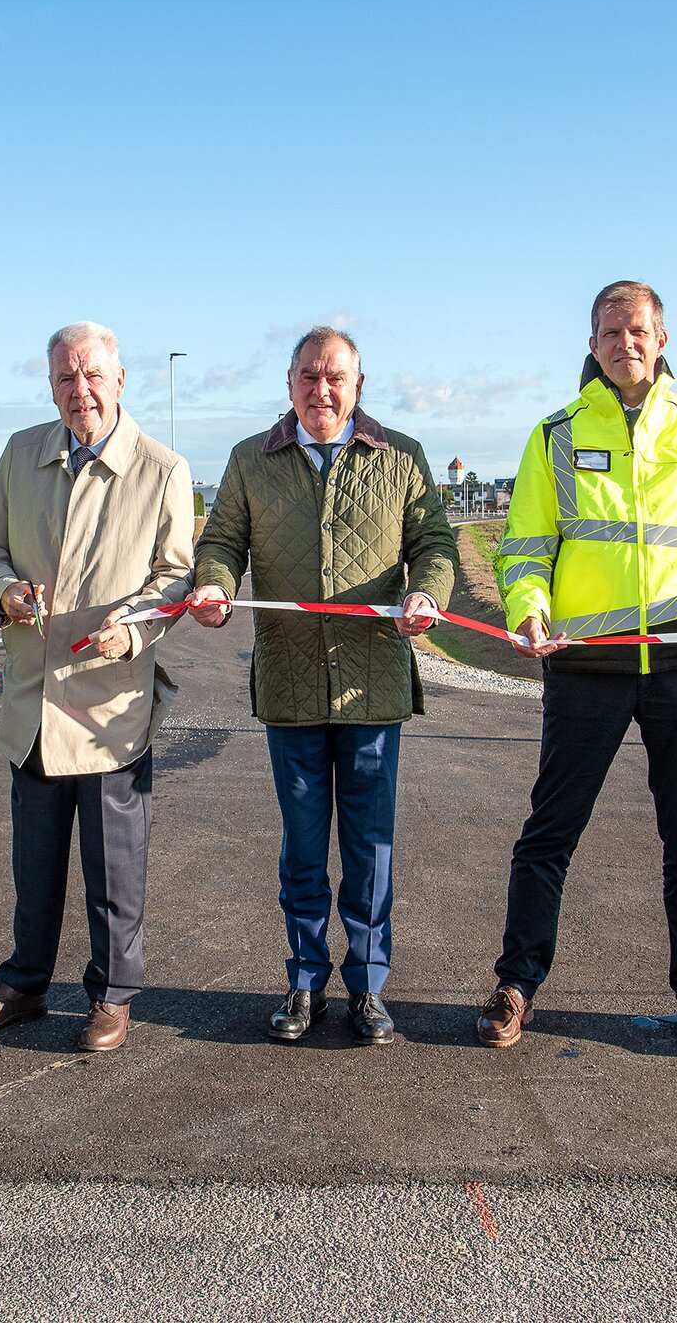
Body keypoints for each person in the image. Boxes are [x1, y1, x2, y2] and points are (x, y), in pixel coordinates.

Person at [478, 281, 677, 1060]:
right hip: (587, 663)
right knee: (550, 832)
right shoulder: (557, 434)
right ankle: (515, 984)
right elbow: (525, 544)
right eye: (610, 331)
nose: (624, 343)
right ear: (593, 341)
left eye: (637, 330)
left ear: (662, 337)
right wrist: (527, 607)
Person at [190, 326, 456, 1046]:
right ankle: (304, 981)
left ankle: (368, 987)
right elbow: (219, 543)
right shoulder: (251, 460)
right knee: (303, 847)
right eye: (308, 376)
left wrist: (428, 593)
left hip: (374, 686)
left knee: (371, 847)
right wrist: (213, 585)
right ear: (289, 384)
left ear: (358, 385)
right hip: (291, 685)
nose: (321, 389)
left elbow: (435, 543)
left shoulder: (401, 457)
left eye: (335, 376)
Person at [0, 322, 193, 1052]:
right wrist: (3, 590)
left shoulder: (163, 469)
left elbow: (176, 576)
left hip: (110, 704)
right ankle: (26, 981)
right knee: (35, 858)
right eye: (65, 378)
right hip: (34, 697)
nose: (79, 389)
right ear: (50, 385)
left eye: (92, 375)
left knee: (113, 862)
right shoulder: (20, 454)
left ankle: (113, 993)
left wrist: (138, 628)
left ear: (121, 380)